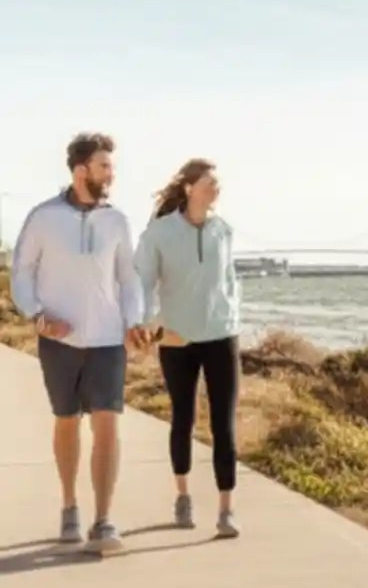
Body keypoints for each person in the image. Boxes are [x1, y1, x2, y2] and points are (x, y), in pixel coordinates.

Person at [8, 132, 149, 553]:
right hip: (59, 339)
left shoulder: (117, 221)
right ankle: (70, 505)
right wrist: (37, 315)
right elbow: (21, 271)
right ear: (81, 169)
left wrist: (134, 320)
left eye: (112, 166)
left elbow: (129, 278)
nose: (111, 174)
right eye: (104, 166)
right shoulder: (43, 217)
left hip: (108, 339)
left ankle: (104, 521)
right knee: (67, 420)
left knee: (107, 422)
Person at [134, 159, 242, 538]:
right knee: (183, 418)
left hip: (221, 337)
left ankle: (226, 509)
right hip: (178, 339)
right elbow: (142, 282)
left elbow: (230, 282)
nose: (217, 189)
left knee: (223, 424)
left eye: (218, 183)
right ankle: (183, 497)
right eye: (210, 183)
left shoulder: (223, 231)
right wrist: (151, 323)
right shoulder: (160, 233)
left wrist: (230, 318)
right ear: (189, 189)